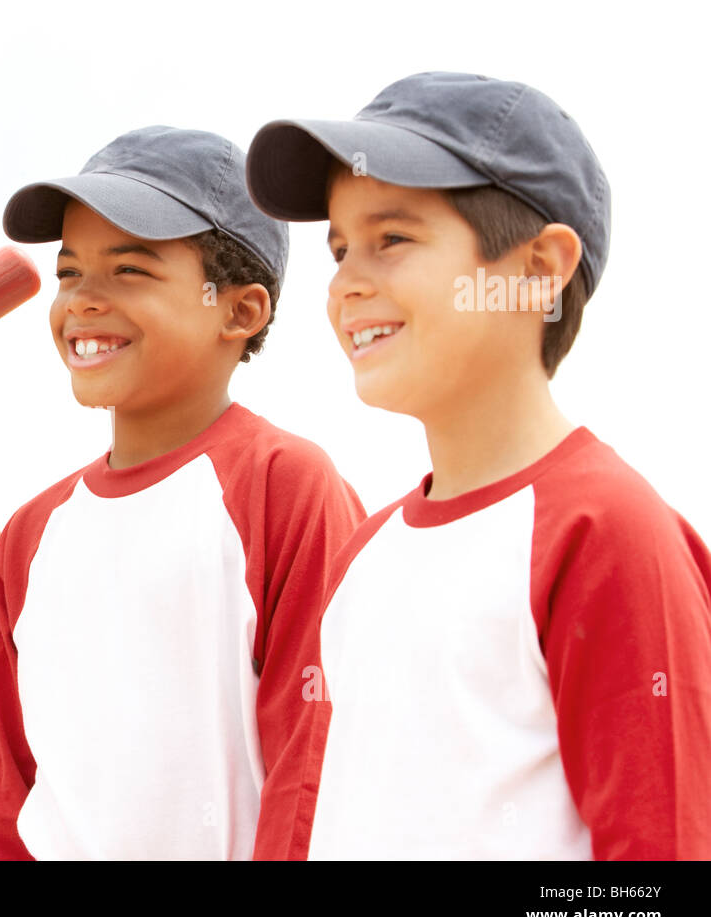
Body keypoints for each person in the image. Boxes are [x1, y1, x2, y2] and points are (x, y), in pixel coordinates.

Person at [246, 71, 711, 858]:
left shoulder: (607, 533)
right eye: (338, 248)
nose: (346, 283)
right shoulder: (364, 557)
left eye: (391, 239)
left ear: (539, 269)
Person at [0, 126, 365, 860]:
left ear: (239, 311)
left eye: (131, 271)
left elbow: (318, 770)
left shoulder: (284, 487)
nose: (83, 301)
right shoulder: (31, 533)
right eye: (70, 273)